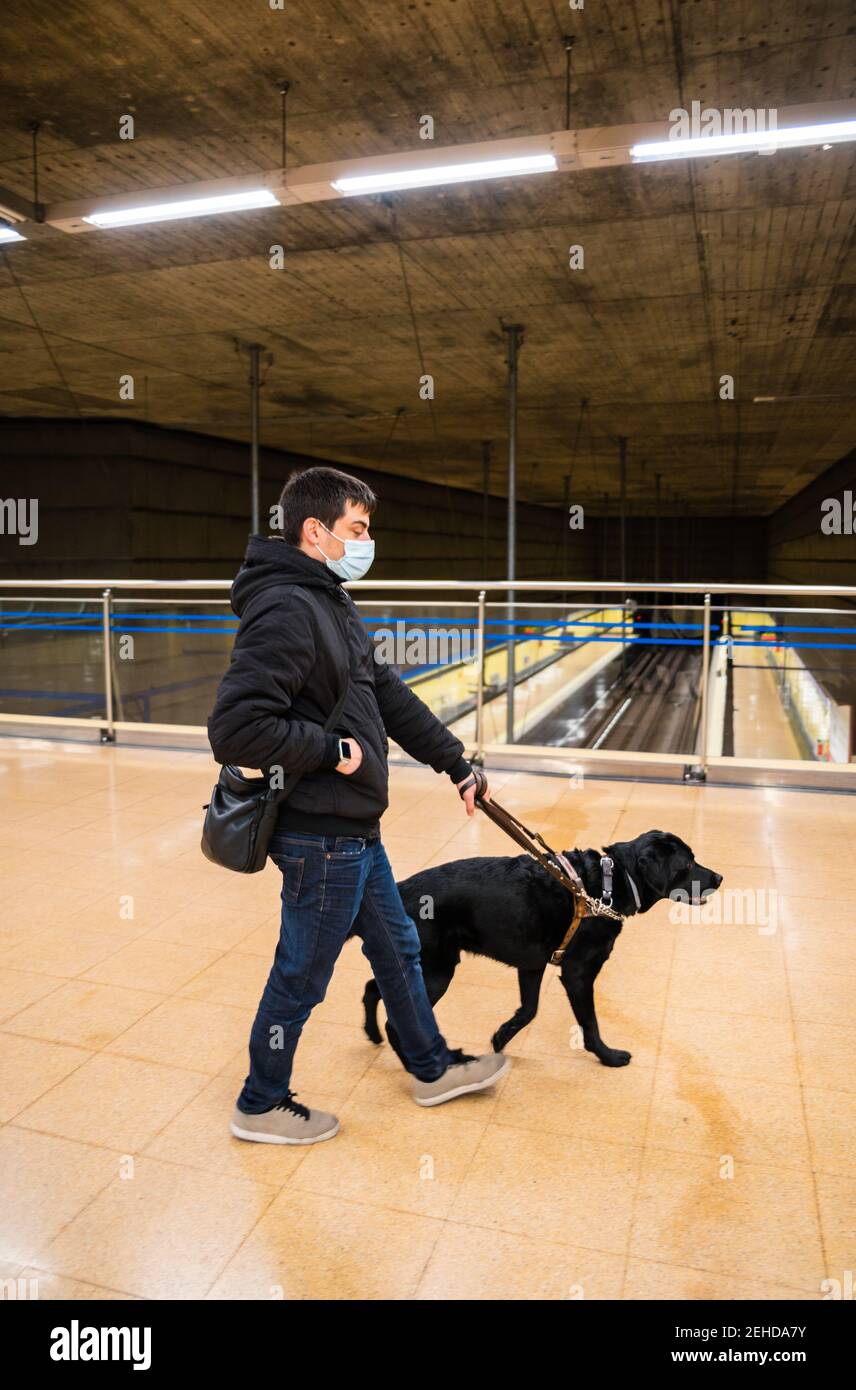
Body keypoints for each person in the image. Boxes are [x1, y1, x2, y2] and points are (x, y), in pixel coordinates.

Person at [207, 465, 508, 1144]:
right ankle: (260, 1102)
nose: (368, 541)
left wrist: (456, 764)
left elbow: (387, 693)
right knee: (303, 974)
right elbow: (233, 728)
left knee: (398, 947)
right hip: (320, 835)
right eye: (358, 528)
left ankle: (430, 1069)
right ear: (316, 531)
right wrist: (331, 751)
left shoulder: (328, 598)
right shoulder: (288, 606)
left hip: (354, 829)